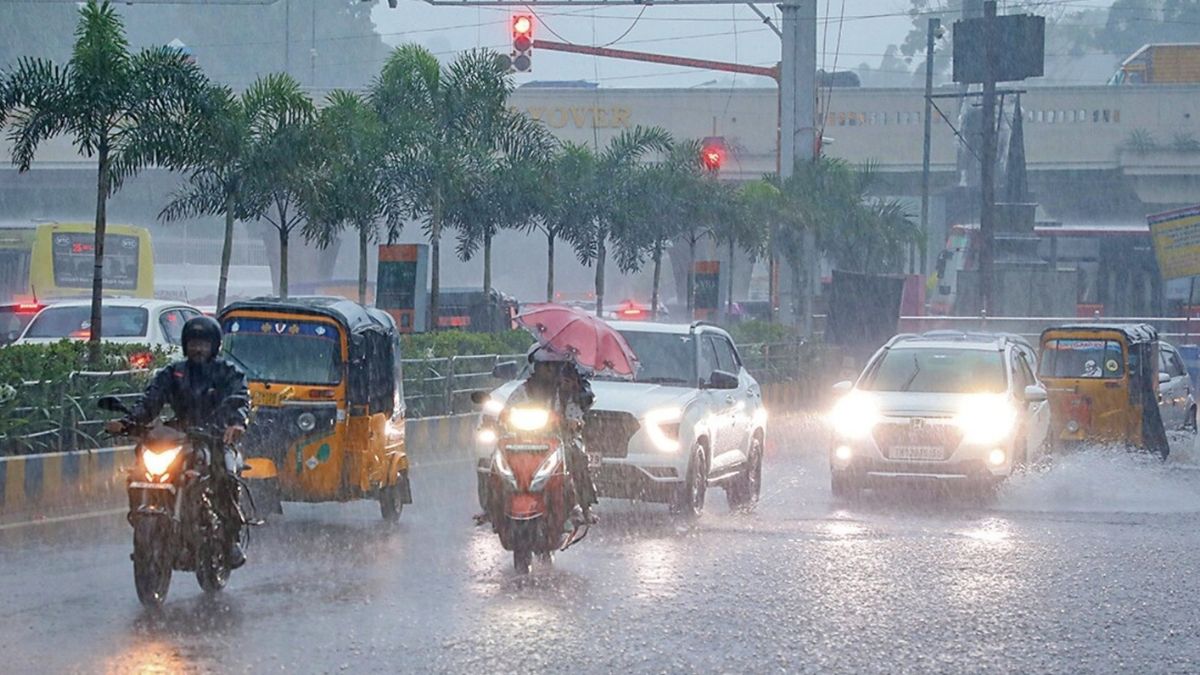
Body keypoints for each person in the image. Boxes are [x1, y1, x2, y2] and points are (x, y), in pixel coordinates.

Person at [104, 316, 251, 568]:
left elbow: (239, 398)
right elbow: (151, 400)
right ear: (185, 344)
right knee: (140, 468)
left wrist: (236, 424)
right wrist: (129, 421)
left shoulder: (227, 372)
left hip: (215, 436)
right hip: (180, 434)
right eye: (193, 342)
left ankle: (229, 541)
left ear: (214, 346)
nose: (198, 348)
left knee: (225, 474)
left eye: (203, 343)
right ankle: (142, 518)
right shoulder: (173, 373)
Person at [506, 346, 598, 524]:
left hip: (559, 443)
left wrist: (574, 422)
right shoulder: (522, 391)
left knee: (577, 457)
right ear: (536, 367)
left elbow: (575, 414)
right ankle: (492, 506)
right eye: (546, 365)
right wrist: (502, 419)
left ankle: (583, 506)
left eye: (555, 366)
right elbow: (507, 411)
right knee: (497, 461)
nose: (550, 371)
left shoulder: (565, 393)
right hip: (521, 444)